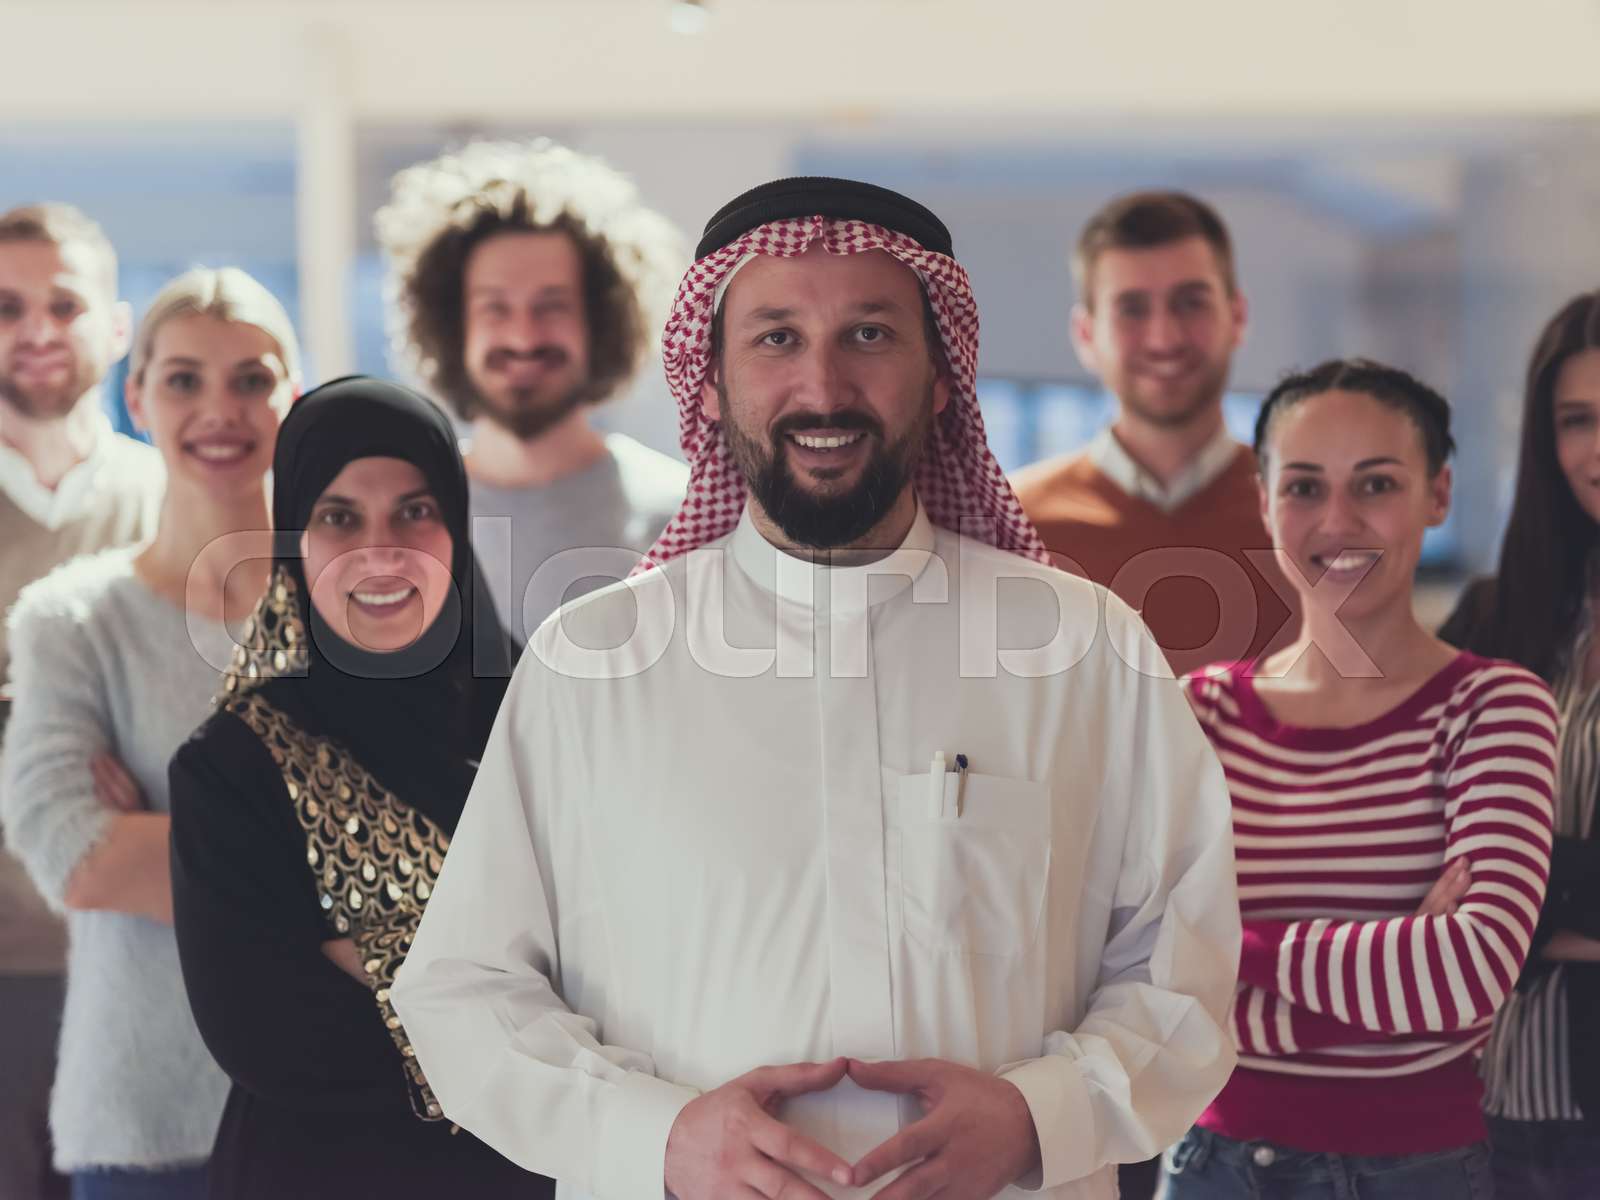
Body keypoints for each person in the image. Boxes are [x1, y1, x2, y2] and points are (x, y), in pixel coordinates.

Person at [390, 176, 1242, 1200]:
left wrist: (1035, 1118)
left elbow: (1184, 973)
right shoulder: (591, 663)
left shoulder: (1083, 649)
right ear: (707, 383)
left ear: (941, 378)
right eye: (776, 339)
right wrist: (657, 1139)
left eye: (871, 336)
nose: (825, 385)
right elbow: (463, 992)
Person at [1162, 359, 1559, 1200]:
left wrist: (1232, 948)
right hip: (1210, 1167)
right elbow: (1134, 962)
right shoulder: (1202, 714)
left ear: (1438, 495)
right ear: (1263, 498)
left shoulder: (1493, 708)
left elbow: (1469, 969)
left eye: (1375, 483)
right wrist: (1389, 978)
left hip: (1421, 1173)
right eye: (1304, 487)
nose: (1337, 522)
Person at [166, 376, 546, 1199]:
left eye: (416, 510)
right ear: (292, 540)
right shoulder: (233, 764)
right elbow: (274, 1037)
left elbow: (627, 963)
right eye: (339, 518)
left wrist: (382, 955)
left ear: (456, 522)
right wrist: (528, 1007)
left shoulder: (542, 718)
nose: (383, 551)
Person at [0, 267, 299, 1199]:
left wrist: (167, 841)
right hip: (142, 1116)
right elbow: (75, 855)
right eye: (184, 380)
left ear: (294, 393)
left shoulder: (355, 611)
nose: (222, 408)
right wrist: (323, 850)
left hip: (331, 1096)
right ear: (136, 396)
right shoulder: (71, 620)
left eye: (252, 378)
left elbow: (425, 849)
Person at [0, 202, 163, 1200]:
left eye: (64, 303)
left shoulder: (175, 503)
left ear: (113, 326)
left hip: (149, 963)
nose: (37, 327)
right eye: (8, 306)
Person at [376, 138, 689, 646]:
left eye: (552, 305)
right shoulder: (401, 520)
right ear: (452, 327)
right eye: (495, 308)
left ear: (601, 322)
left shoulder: (681, 516)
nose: (523, 336)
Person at [1440, 291, 1600, 1198]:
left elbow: (1481, 887)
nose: (1599, 447)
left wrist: (1509, 904)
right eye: (1577, 420)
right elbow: (1425, 846)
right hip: (1482, 1107)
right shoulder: (1494, 616)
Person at [1012, 191, 1292, 679]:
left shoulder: (1305, 517)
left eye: (1191, 303)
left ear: (1238, 317)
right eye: (1132, 309)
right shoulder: (1014, 524)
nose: (1165, 338)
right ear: (1085, 335)